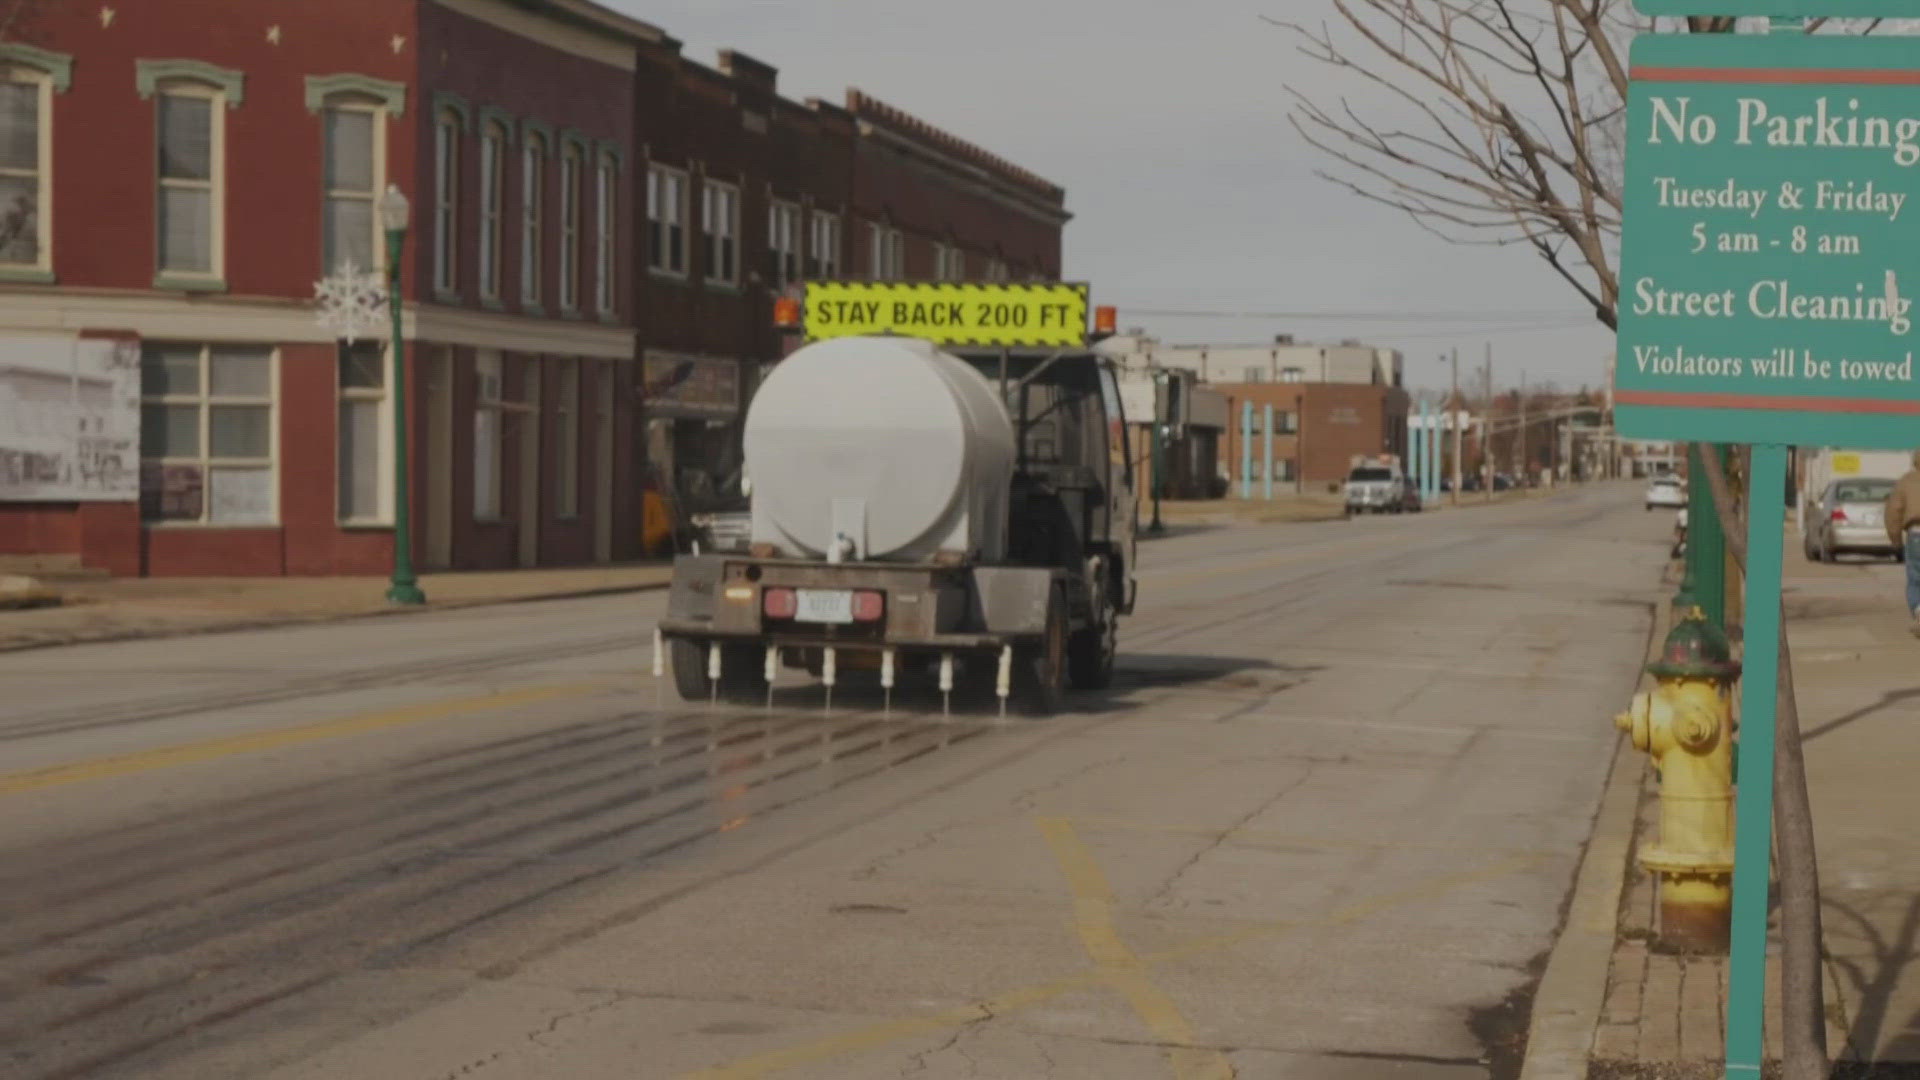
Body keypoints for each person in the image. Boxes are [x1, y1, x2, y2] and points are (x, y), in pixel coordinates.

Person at [1885, 449, 1920, 634]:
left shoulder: (1907, 481)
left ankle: (1919, 612)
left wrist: (1895, 539)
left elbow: (1894, 511)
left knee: (1915, 578)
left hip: (1916, 534)